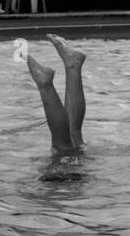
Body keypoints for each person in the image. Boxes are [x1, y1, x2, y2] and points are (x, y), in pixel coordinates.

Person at [25, 34, 90, 178]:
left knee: (74, 136)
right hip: (66, 172)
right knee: (64, 146)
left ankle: (73, 66)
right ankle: (46, 84)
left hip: (75, 171)